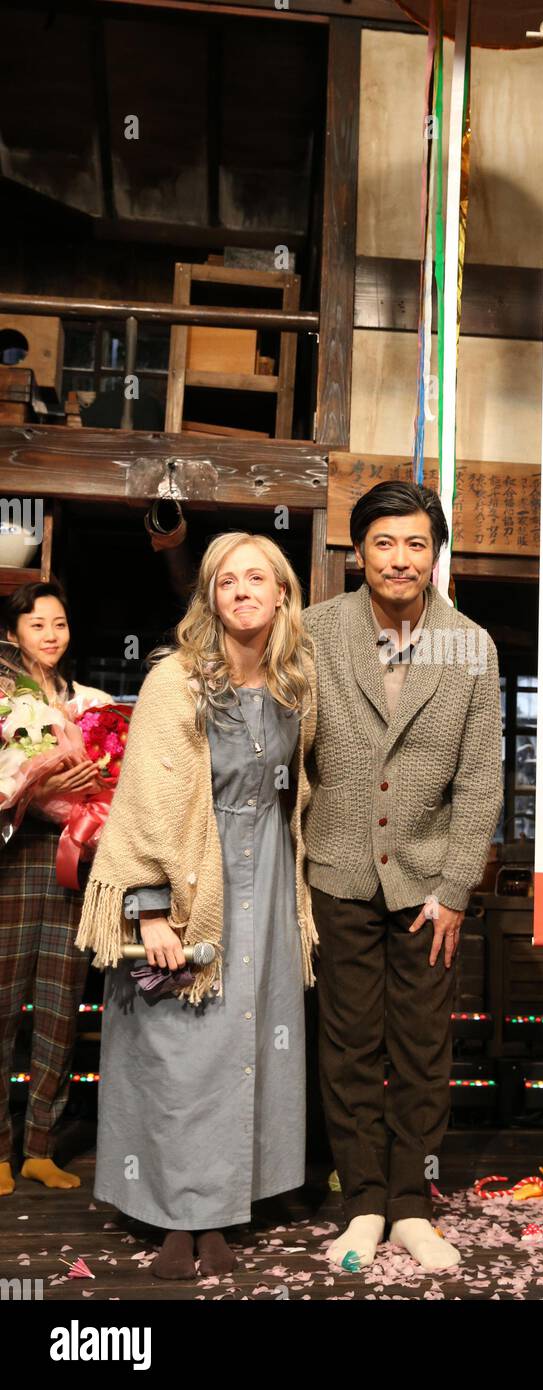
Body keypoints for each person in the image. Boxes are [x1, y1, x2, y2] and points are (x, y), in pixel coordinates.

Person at [74, 533, 317, 1278]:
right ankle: (175, 1212)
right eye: (226, 581)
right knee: (181, 1049)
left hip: (269, 883)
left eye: (257, 578)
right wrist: (149, 910)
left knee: (250, 1047)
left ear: (281, 593)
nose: (242, 591)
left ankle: (233, 1200)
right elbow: (147, 800)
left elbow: (300, 789)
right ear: (209, 598)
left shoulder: (294, 684)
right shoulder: (176, 680)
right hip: (194, 879)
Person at [303, 480, 503, 1271]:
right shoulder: (316, 630)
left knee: (423, 1048)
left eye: (416, 543)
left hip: (428, 886)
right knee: (348, 1044)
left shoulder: (469, 644)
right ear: (359, 553)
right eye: (383, 543)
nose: (399, 558)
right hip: (340, 871)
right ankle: (362, 1203)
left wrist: (456, 888)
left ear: (435, 553)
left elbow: (481, 780)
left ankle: (413, 1205)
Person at [0, 581, 109, 1198]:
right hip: (12, 860)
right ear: (14, 632)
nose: (49, 634)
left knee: (60, 1007)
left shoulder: (85, 702)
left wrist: (94, 778)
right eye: (36, 623)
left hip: (72, 864)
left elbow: (113, 777)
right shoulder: (3, 695)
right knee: (1, 1008)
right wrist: (33, 783)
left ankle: (40, 1146)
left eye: (59, 623)